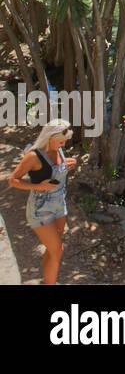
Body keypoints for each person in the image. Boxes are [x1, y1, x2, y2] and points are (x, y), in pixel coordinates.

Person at [8, 119, 77, 284]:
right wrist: (38, 186)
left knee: (53, 249)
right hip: (41, 208)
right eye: (61, 141)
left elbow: (54, 170)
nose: (63, 145)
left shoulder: (58, 150)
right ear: (51, 137)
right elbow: (13, 180)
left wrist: (67, 164)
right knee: (57, 249)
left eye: (65, 142)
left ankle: (48, 281)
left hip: (60, 205)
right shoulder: (33, 156)